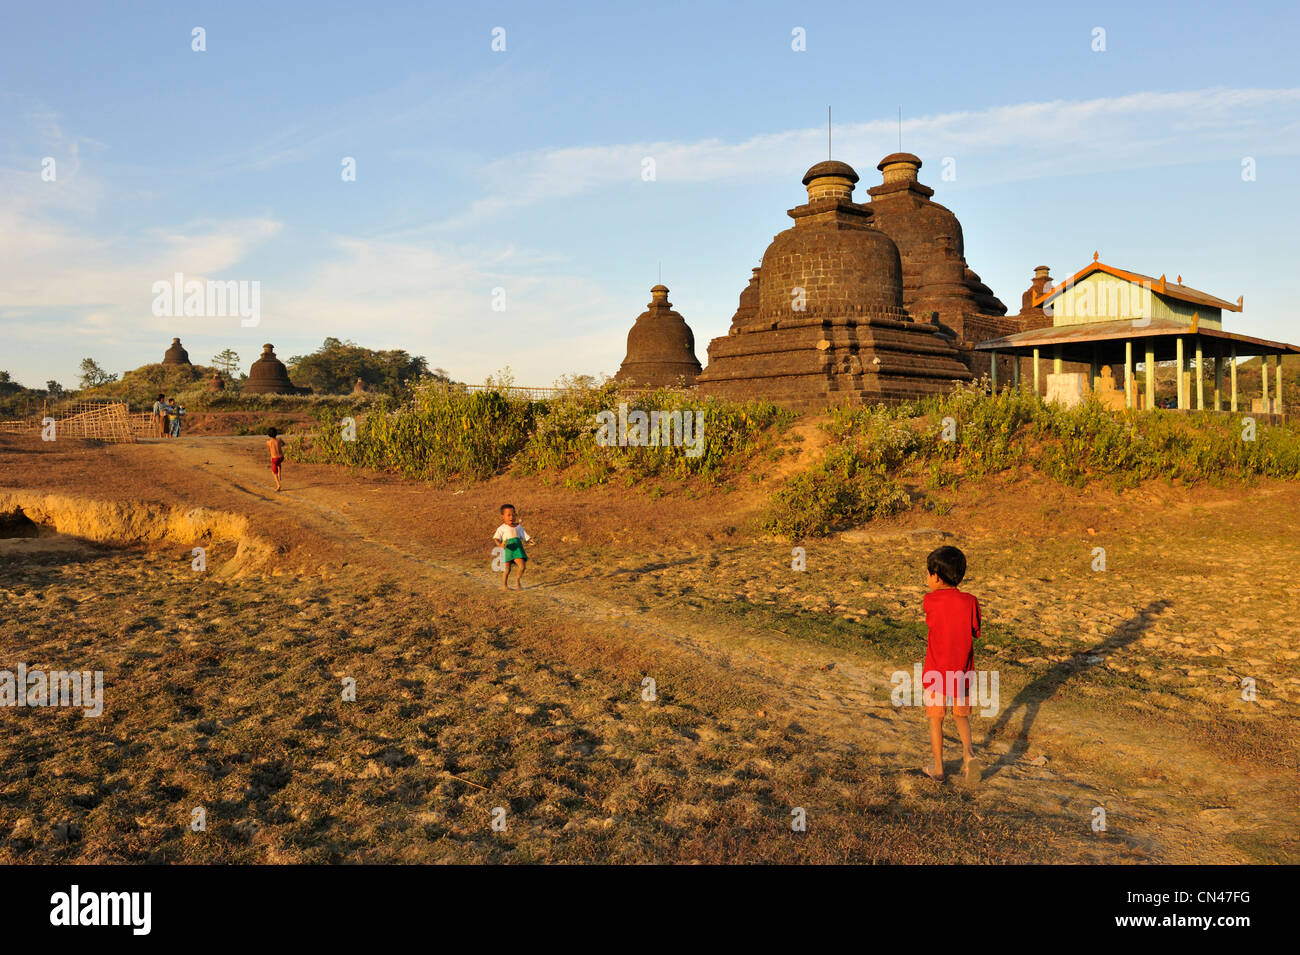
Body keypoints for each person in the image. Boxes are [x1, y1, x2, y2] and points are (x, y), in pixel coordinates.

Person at [920, 545, 981, 784]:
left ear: (936, 576)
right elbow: (975, 631)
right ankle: (968, 755)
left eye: (928, 573)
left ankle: (938, 768)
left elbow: (934, 624)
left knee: (936, 719)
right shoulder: (971, 602)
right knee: (961, 716)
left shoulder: (930, 601)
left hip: (936, 672)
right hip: (963, 671)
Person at [493, 504, 535, 590]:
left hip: (517, 549)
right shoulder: (501, 528)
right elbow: (496, 539)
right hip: (507, 549)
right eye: (508, 515)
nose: (511, 517)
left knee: (522, 566)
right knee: (507, 569)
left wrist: (529, 540)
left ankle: (517, 581)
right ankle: (504, 585)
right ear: (503, 517)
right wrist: (500, 545)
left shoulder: (518, 527)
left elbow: (524, 536)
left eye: (513, 514)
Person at [266, 427, 285, 492]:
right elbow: (283, 444)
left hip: (274, 458)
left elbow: (270, 448)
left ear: (268, 434)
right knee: (279, 463)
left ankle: (278, 485)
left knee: (274, 472)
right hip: (281, 457)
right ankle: (280, 474)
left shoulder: (268, 442)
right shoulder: (279, 440)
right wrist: (279, 446)